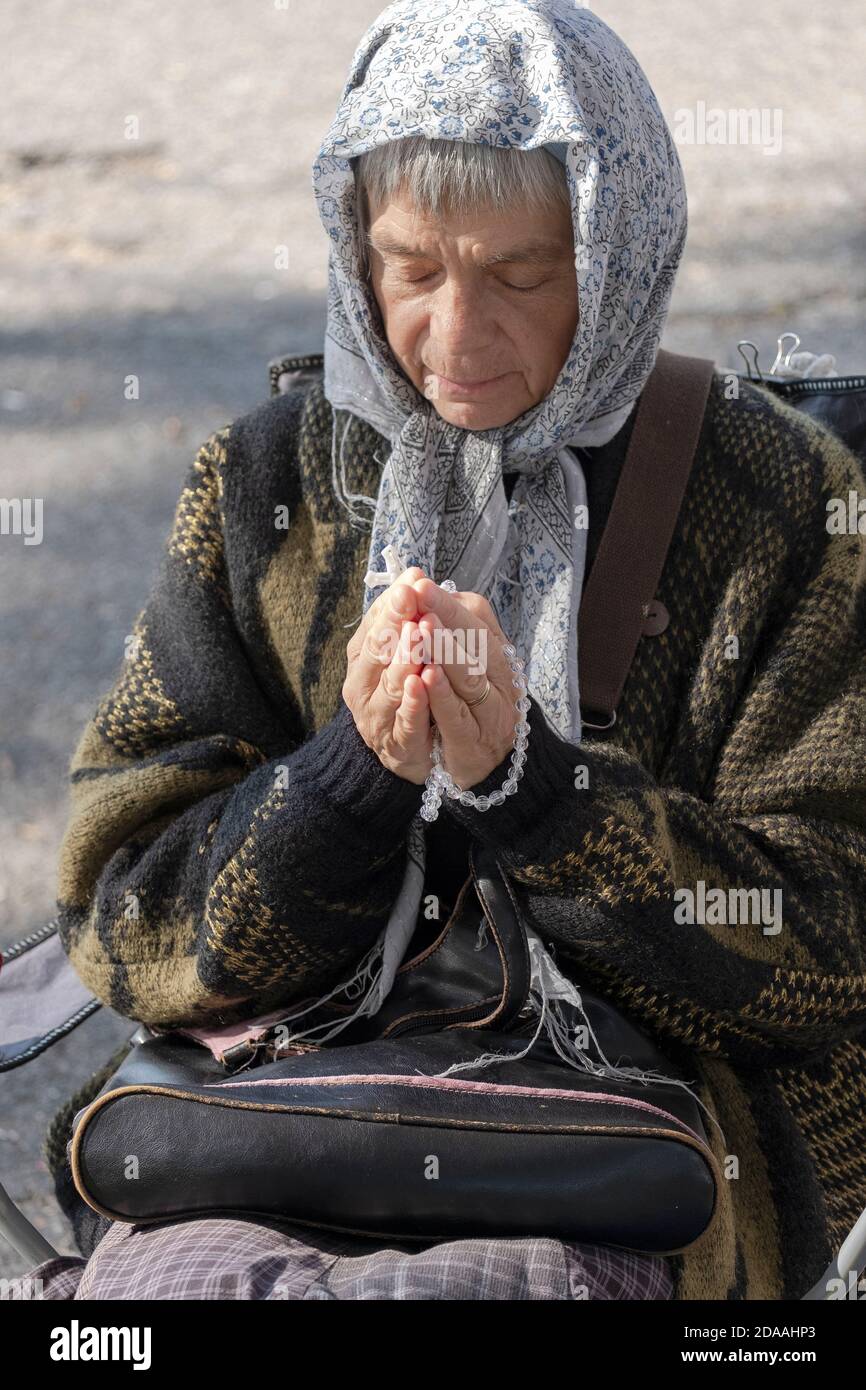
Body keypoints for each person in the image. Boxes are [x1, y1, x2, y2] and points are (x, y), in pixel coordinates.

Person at [26, 0, 866, 1302]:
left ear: (618, 247)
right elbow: (129, 926)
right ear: (351, 251)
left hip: (637, 1156)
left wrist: (538, 790)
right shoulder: (266, 489)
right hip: (283, 1126)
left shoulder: (774, 504)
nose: (457, 339)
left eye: (522, 275)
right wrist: (349, 774)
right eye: (411, 271)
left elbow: (824, 950)